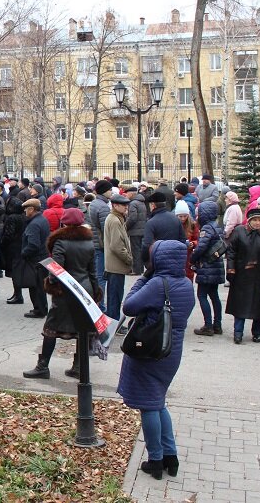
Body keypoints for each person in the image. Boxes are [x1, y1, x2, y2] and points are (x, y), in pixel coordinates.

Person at [117, 240, 196, 480]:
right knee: (158, 402)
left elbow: (129, 306)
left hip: (149, 351)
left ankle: (155, 459)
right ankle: (170, 457)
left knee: (149, 405)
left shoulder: (156, 285)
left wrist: (142, 279)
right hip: (171, 352)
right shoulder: (185, 283)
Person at [23, 207, 97, 380]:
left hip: (66, 291)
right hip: (84, 289)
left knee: (51, 328)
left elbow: (57, 269)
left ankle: (43, 366)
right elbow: (92, 271)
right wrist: (95, 291)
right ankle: (79, 366)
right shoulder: (89, 243)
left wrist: (52, 284)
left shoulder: (60, 242)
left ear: (64, 222)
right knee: (82, 329)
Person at [225, 208, 260, 344]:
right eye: (254, 220)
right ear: (249, 221)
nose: (257, 223)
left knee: (259, 307)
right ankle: (238, 332)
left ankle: (257, 333)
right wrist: (231, 270)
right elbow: (231, 252)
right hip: (242, 275)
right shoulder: (239, 231)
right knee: (240, 306)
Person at [190, 200, 225, 336]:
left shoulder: (207, 228)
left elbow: (202, 247)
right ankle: (217, 324)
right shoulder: (216, 226)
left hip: (207, 266)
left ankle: (208, 325)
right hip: (216, 265)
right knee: (214, 295)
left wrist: (193, 258)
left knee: (202, 295)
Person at [103, 194, 133, 327]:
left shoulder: (117, 218)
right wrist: (128, 259)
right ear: (115, 205)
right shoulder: (114, 220)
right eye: (123, 205)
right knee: (114, 298)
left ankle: (113, 323)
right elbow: (116, 245)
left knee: (114, 297)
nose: (126, 207)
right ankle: (113, 325)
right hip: (115, 266)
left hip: (115, 266)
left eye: (127, 204)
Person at [21, 198, 52, 319]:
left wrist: (24, 253)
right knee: (40, 285)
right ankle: (41, 308)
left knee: (36, 286)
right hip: (42, 257)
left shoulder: (34, 224)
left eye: (26, 209)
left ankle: (39, 310)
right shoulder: (42, 219)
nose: (25, 212)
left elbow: (33, 244)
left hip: (35, 260)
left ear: (32, 209)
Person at [86, 180, 113, 310]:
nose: (112, 192)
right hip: (101, 245)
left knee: (97, 275)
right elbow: (106, 229)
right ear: (104, 191)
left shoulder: (95, 203)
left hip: (95, 243)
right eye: (110, 190)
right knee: (101, 277)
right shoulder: (102, 206)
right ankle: (100, 307)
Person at [142, 192, 186, 267]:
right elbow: (182, 239)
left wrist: (146, 261)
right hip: (175, 259)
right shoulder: (175, 219)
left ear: (153, 205)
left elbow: (147, 244)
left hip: (158, 260)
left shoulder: (151, 222)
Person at [1, 193, 28, 304]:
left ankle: (18, 295)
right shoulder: (23, 216)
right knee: (16, 271)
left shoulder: (12, 218)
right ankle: (17, 294)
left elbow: (9, 234)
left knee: (14, 271)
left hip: (12, 248)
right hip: (20, 245)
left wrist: (2, 243)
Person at [125, 185, 147, 276]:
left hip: (135, 230)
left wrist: (125, 226)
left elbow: (132, 218)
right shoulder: (141, 202)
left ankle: (136, 270)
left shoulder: (133, 203)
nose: (126, 195)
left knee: (135, 250)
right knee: (140, 249)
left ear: (131, 194)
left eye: (127, 193)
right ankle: (141, 268)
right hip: (142, 229)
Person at [174, 201, 199, 281]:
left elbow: (198, 239)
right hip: (176, 255)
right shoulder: (172, 225)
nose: (183, 219)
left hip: (188, 256)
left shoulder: (192, 225)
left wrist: (193, 243)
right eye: (180, 216)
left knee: (188, 277)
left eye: (185, 216)